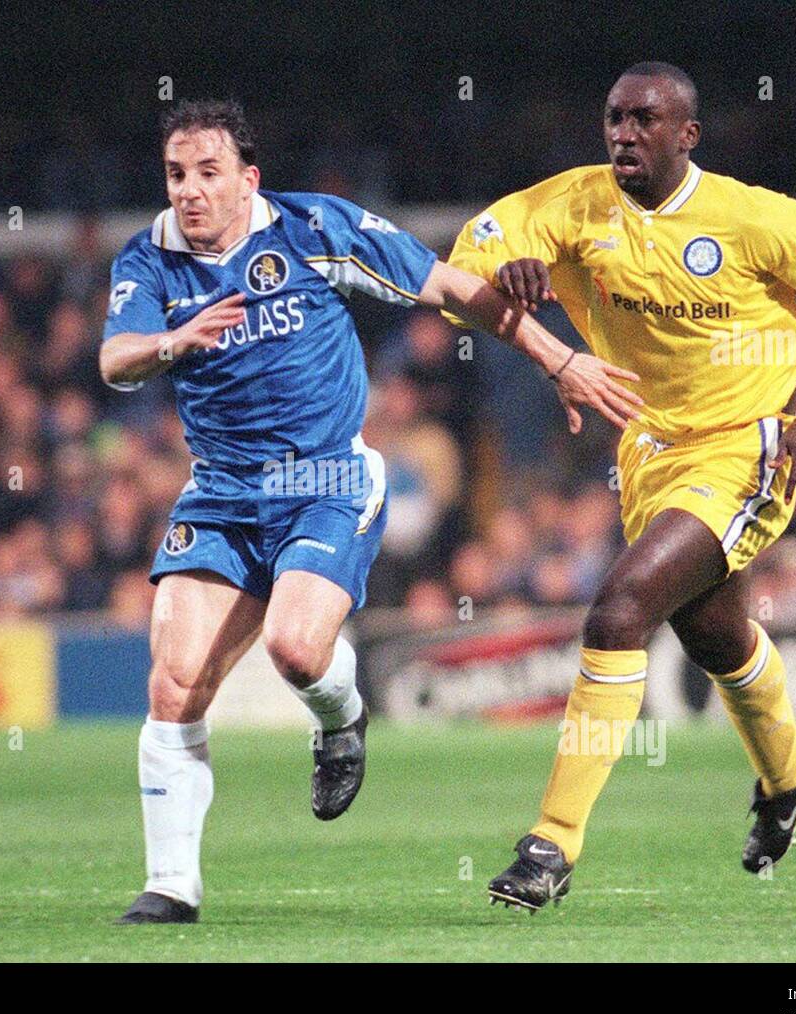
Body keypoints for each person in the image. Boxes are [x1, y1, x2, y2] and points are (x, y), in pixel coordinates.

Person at [101, 98, 640, 924]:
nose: (190, 192)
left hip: (327, 482)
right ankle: (172, 886)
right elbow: (115, 361)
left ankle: (342, 717)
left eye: (209, 173)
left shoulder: (317, 229)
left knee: (292, 647)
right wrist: (176, 341)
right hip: (221, 491)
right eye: (177, 175)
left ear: (249, 180)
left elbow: (456, 287)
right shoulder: (151, 260)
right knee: (174, 685)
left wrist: (558, 357)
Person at [447, 62, 796, 912]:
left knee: (619, 610)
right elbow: (469, 258)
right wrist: (508, 276)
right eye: (615, 117)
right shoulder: (577, 203)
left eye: (647, 119)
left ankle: (552, 844)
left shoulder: (750, 217)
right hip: (650, 451)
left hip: (749, 448)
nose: (625, 133)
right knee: (713, 631)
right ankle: (792, 774)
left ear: (687, 134)